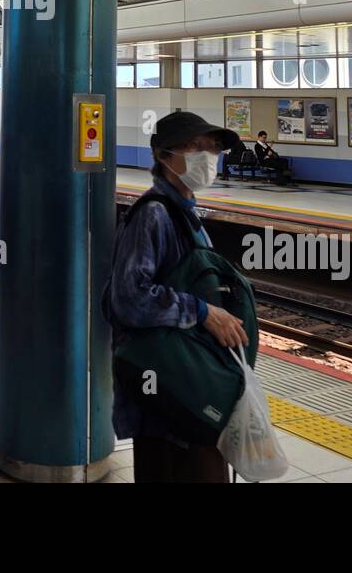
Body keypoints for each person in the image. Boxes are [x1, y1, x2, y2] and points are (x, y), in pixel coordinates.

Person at [103, 111, 248, 483]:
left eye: (212, 147)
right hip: (165, 392)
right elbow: (128, 297)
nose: (208, 155)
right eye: (195, 146)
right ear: (163, 156)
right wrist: (202, 313)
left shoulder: (184, 213)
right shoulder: (152, 214)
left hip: (187, 383)